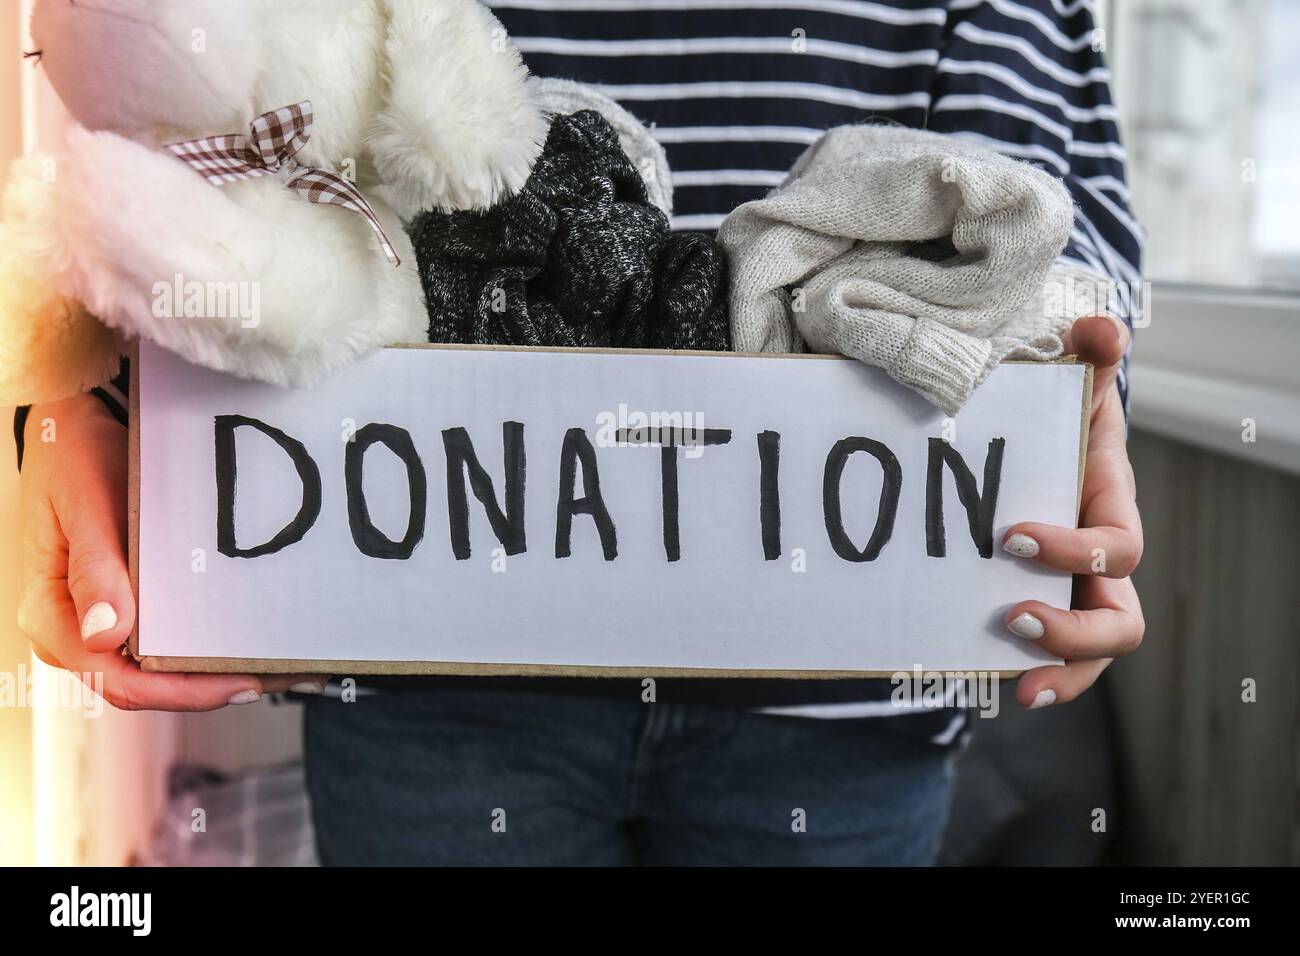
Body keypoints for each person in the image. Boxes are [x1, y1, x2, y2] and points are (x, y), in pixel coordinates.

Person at [14, 0, 1144, 865]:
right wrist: (67, 401)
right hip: (423, 645)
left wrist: (1075, 403)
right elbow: (163, 95)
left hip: (843, 671)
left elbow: (1046, 195)